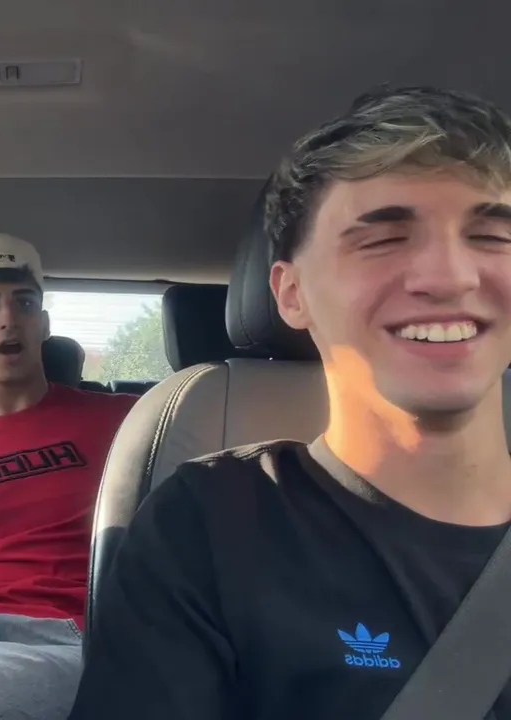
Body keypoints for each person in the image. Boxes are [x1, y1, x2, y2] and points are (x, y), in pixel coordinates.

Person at [72, 85, 511, 720]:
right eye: (384, 239)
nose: (450, 277)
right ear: (291, 293)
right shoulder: (207, 529)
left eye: (493, 236)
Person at [0, 233, 138, 720]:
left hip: (86, 637)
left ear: (44, 325)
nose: (8, 318)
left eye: (25, 303)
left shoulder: (131, 420)